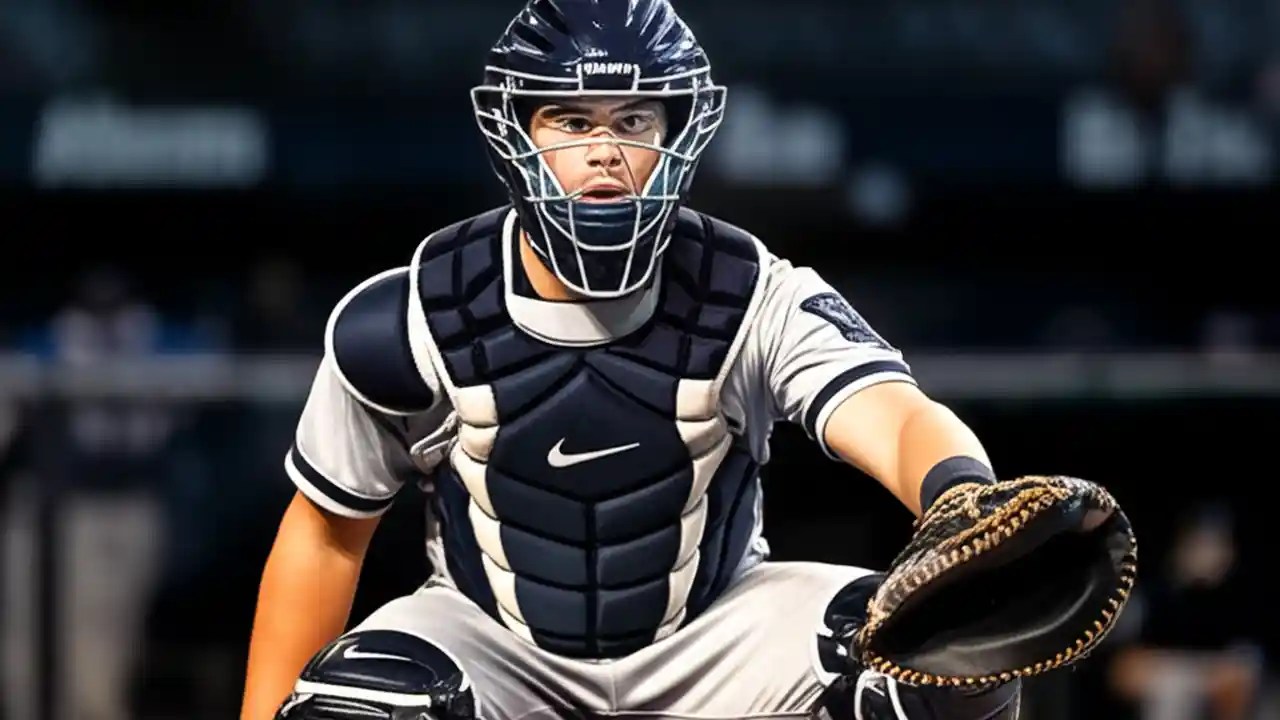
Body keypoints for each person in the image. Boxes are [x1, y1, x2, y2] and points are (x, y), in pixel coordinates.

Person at [240, 1, 1023, 718]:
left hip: (713, 633)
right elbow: (325, 536)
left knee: (948, 657)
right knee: (358, 704)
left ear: (675, 134)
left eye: (635, 120)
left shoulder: (752, 290)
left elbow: (893, 415)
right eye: (571, 121)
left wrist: (960, 497)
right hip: (493, 642)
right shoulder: (413, 312)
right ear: (517, 135)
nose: (605, 152)